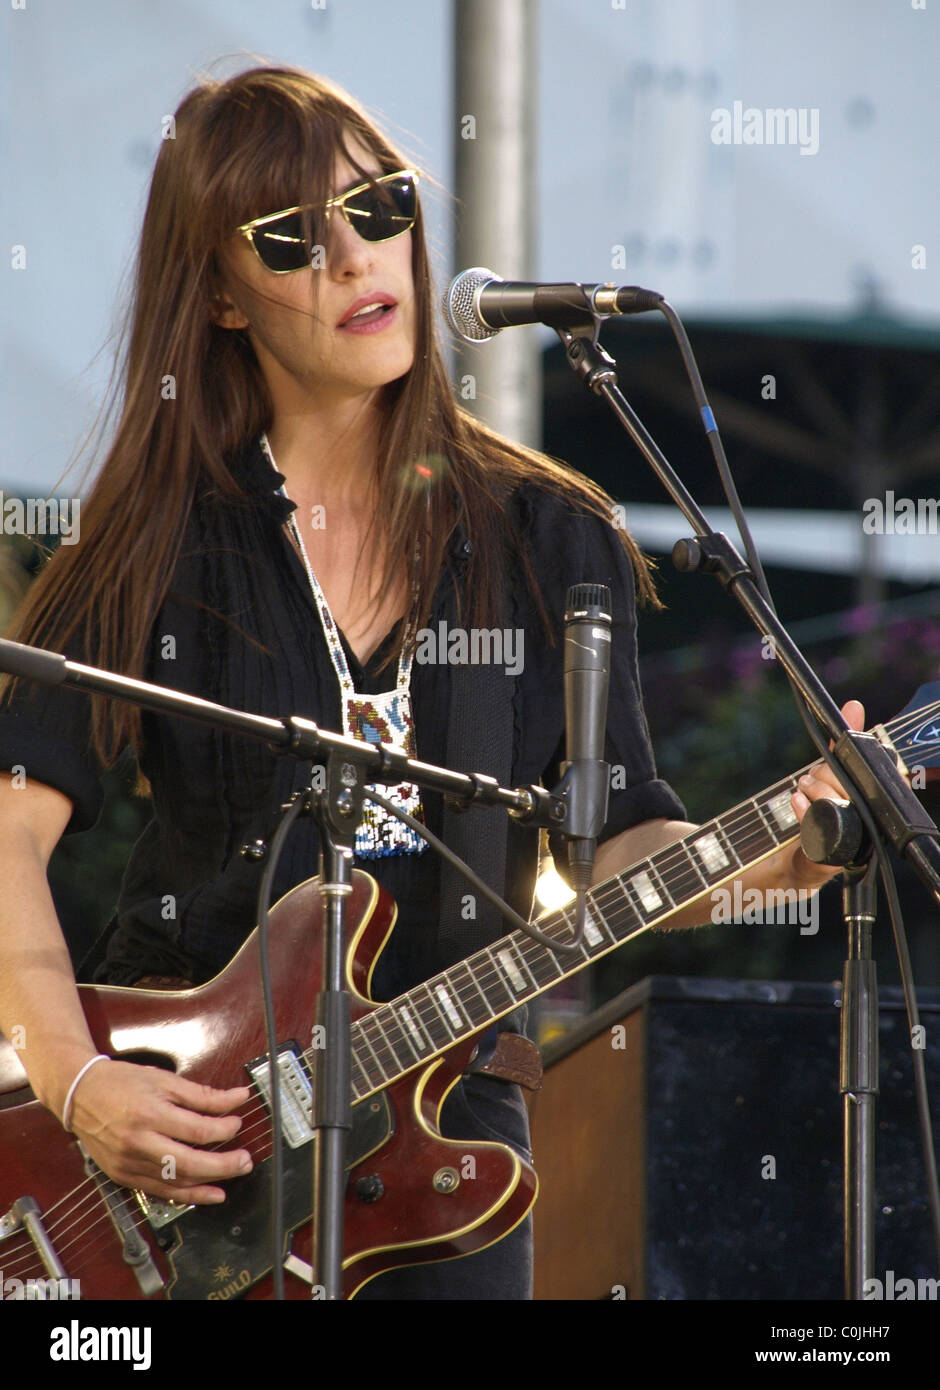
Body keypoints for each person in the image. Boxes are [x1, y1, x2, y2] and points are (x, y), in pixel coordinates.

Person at [0, 64, 858, 1301]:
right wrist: (81, 1085)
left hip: (449, 1142)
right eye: (294, 237)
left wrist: (763, 860)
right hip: (181, 1139)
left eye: (383, 207)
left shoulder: (552, 535)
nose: (357, 259)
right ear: (223, 299)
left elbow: (618, 843)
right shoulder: (154, 540)